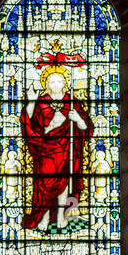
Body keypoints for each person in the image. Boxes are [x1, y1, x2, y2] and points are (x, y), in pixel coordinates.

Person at [20, 59, 93, 231]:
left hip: (66, 150)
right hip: (45, 150)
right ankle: (44, 218)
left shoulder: (72, 101)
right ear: (46, 84)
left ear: (65, 83)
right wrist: (31, 101)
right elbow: (30, 123)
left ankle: (61, 215)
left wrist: (78, 119)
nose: (55, 84)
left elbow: (86, 128)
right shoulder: (41, 101)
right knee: (44, 186)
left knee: (63, 185)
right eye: (51, 81)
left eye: (59, 80)